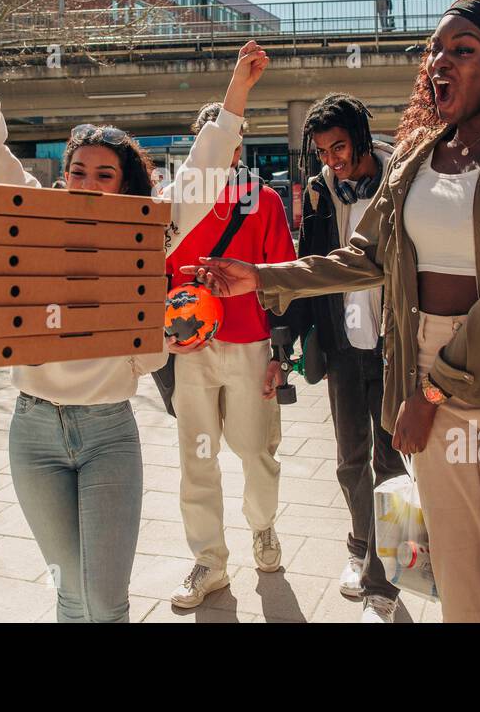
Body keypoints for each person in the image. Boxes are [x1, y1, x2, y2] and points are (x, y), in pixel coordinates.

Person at [186, 0, 480, 622]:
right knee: (458, 587)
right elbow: (365, 256)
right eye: (435, 49)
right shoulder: (415, 158)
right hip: (427, 382)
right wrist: (262, 277)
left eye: (463, 50)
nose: (440, 62)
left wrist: (431, 393)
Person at [0, 5, 271, 621]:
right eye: (77, 172)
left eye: (104, 175)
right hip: (33, 431)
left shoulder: (148, 235)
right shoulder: (36, 223)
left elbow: (203, 178)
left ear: (125, 187)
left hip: (107, 436)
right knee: (70, 594)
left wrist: (237, 91)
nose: (87, 182)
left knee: (103, 598)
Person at [164, 103, 297, 609]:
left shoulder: (262, 201)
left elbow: (285, 276)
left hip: (249, 344)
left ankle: (263, 528)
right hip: (190, 347)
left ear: (238, 149)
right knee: (196, 458)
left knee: (256, 450)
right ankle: (209, 560)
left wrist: (280, 352)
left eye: (228, 144)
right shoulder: (175, 204)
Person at [287, 92, 404, 622]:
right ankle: (360, 546)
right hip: (343, 347)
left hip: (395, 349)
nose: (333, 160)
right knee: (349, 459)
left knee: (392, 460)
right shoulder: (317, 195)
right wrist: (289, 341)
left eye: (340, 147)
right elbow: (309, 269)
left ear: (360, 136)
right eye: (323, 152)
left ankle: (391, 569)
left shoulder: (403, 182)